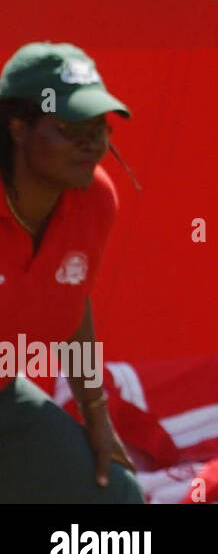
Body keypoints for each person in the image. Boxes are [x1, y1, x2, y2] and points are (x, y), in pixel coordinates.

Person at [0, 43, 142, 503]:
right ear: (18, 128)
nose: (91, 143)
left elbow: (69, 300)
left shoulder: (94, 198)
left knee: (115, 496)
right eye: (70, 127)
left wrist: (95, 412)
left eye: (98, 126)